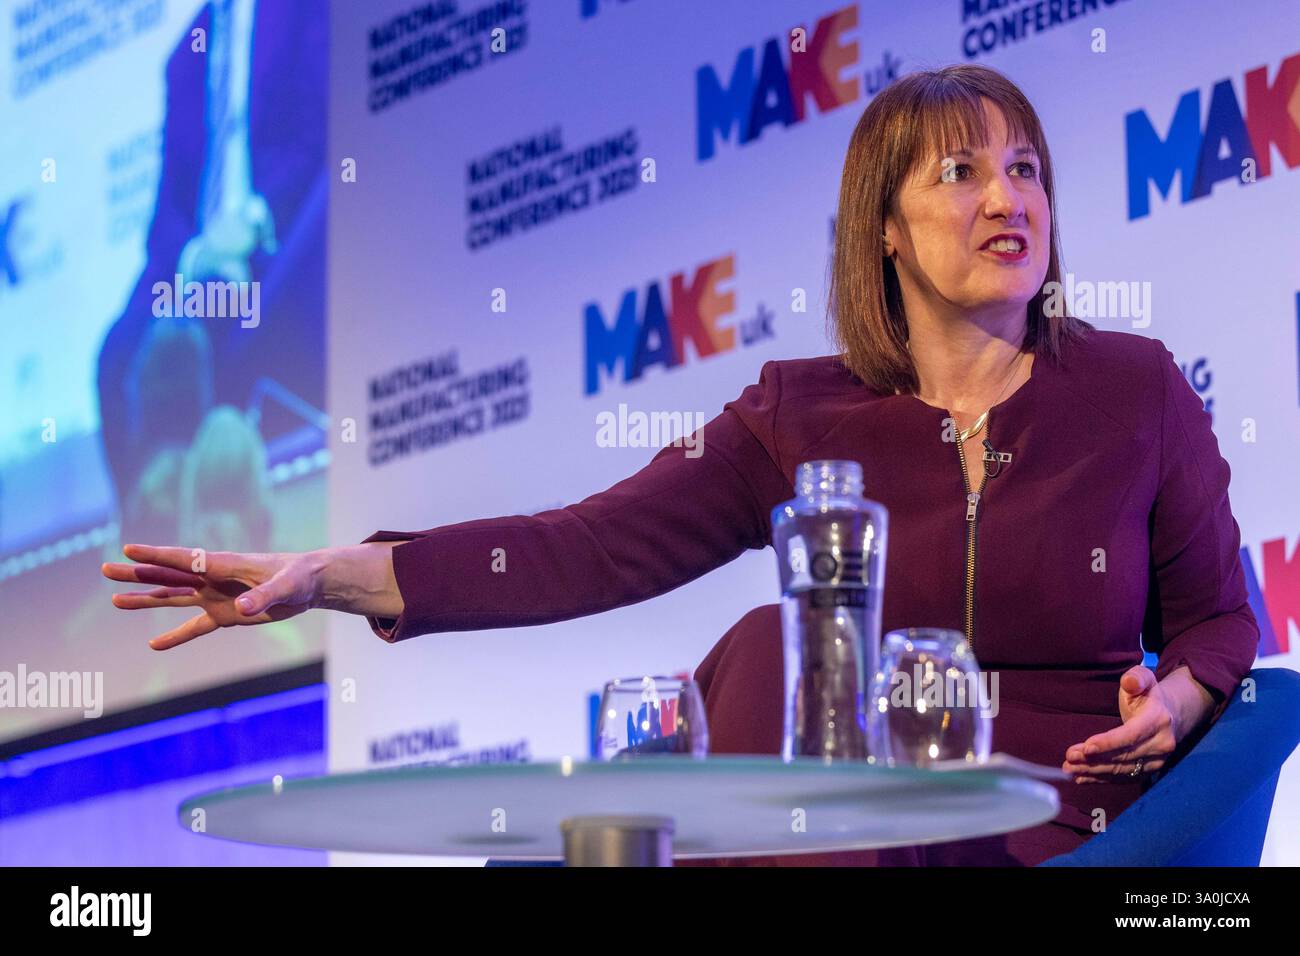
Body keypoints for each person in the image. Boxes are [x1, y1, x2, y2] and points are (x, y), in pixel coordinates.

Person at [101, 64, 1259, 866]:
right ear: (887, 232)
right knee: (759, 655)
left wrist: (1182, 691)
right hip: (848, 829)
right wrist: (332, 575)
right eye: (961, 174)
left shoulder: (1133, 387)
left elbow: (1219, 620)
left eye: (1025, 168)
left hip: (1060, 820)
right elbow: (587, 545)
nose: (1007, 197)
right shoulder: (798, 410)